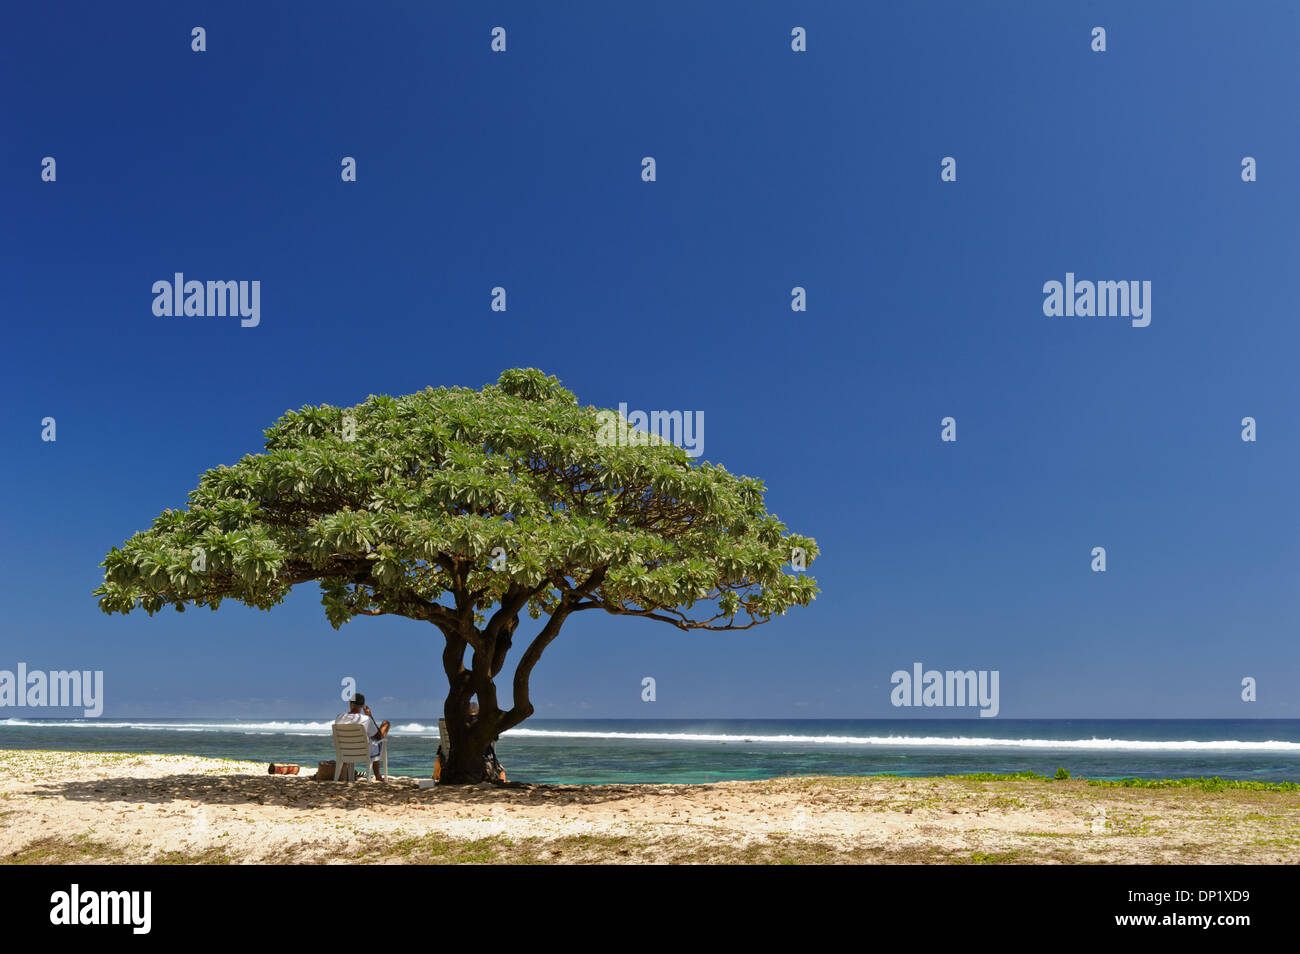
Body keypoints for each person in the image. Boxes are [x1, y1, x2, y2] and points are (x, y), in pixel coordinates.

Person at [334, 693, 390, 781]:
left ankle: (378, 775)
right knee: (385, 725)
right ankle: (378, 776)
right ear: (363, 706)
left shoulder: (339, 717)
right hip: (364, 752)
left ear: (350, 703)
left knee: (372, 738)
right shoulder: (365, 719)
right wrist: (369, 716)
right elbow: (379, 737)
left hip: (345, 752)